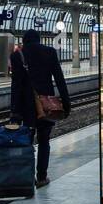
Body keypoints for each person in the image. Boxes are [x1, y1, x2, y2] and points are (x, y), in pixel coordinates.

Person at [9, 29, 71, 188]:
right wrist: (66, 102)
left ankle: (28, 177)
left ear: (24, 41)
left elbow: (15, 86)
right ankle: (42, 177)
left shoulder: (17, 56)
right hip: (46, 106)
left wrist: (14, 111)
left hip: (26, 106)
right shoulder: (49, 52)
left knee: (27, 142)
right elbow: (59, 78)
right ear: (39, 40)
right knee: (44, 141)